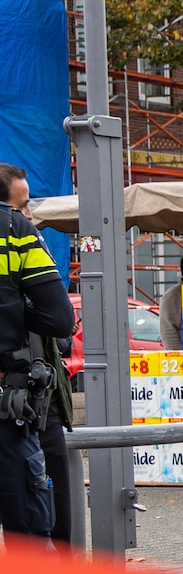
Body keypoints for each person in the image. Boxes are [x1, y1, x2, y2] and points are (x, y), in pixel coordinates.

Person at [0, 162, 73, 540]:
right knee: (34, 520)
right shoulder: (16, 234)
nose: (29, 215)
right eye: (22, 205)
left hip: (36, 402)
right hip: (19, 406)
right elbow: (60, 320)